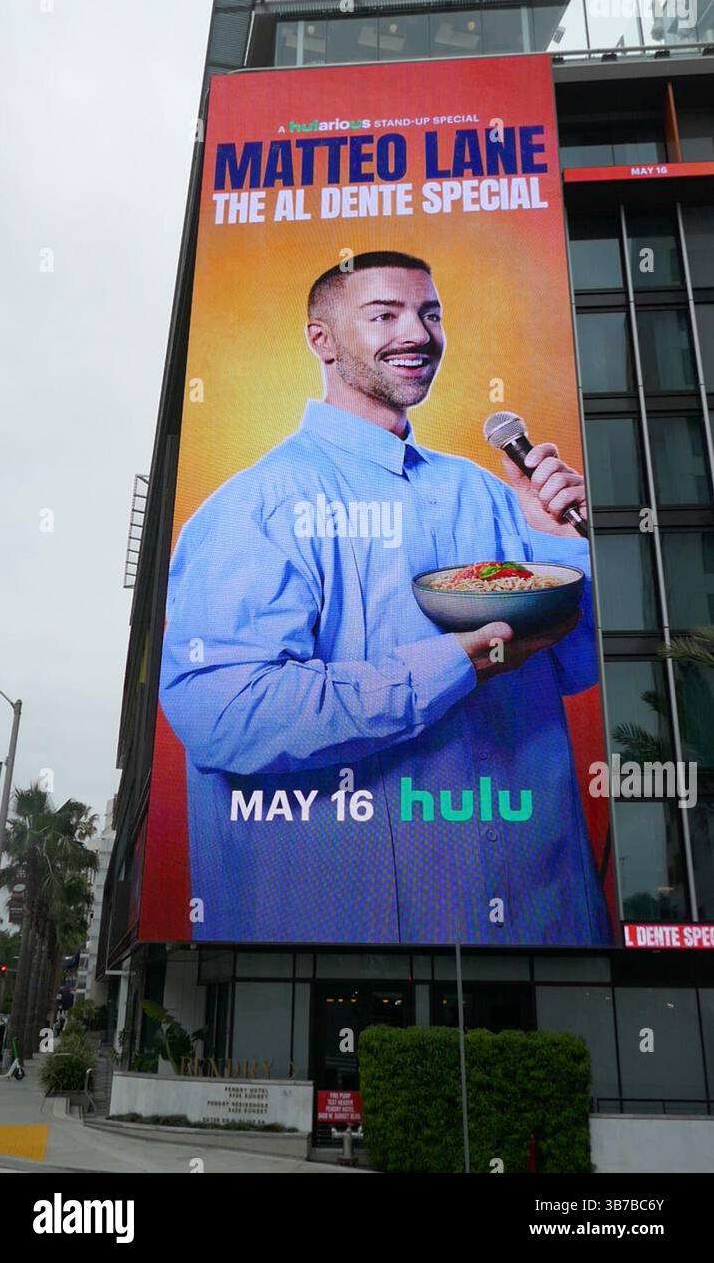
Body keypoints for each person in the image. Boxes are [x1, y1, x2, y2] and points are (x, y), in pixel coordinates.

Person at [160, 251, 611, 945]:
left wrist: (555, 542)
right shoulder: (256, 507)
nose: (418, 333)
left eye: (430, 314)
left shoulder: (485, 493)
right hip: (341, 950)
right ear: (322, 340)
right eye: (383, 315)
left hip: (541, 927)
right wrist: (457, 663)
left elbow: (575, 663)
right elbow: (228, 714)